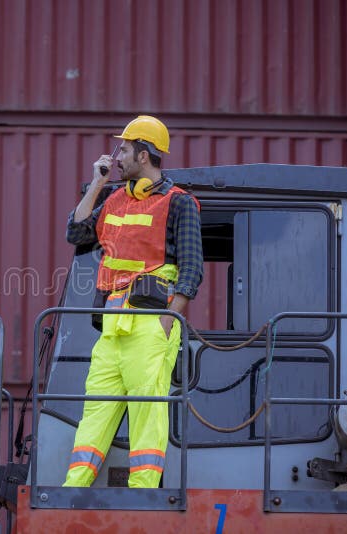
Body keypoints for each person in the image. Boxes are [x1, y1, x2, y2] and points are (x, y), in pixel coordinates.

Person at [63, 115, 203, 489]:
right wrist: (98, 181)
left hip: (151, 325)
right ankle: (71, 491)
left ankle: (144, 498)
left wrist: (168, 322)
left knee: (147, 414)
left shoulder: (180, 204)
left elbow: (191, 270)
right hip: (112, 329)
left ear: (143, 154)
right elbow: (75, 232)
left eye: (123, 149)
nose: (116, 155)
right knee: (95, 413)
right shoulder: (113, 200)